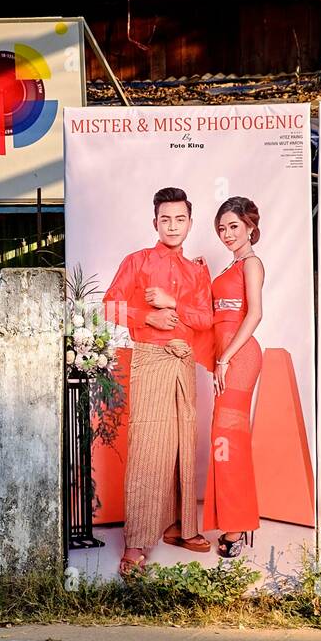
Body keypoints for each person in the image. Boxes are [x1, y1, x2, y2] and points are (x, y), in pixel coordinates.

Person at [103, 186, 214, 577]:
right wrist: (145, 317)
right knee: (150, 444)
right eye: (165, 219)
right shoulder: (137, 261)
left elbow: (205, 319)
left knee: (185, 442)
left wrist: (171, 303)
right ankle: (136, 540)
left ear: (189, 223)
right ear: (154, 222)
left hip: (185, 361)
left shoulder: (198, 270)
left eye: (179, 219)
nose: (172, 226)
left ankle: (180, 527)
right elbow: (108, 306)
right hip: (150, 357)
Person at [206, 197, 265, 559]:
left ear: (249, 227)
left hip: (239, 358)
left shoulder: (252, 263)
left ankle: (237, 526)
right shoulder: (233, 265)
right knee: (223, 441)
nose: (227, 234)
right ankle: (233, 519)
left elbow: (255, 314)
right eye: (222, 228)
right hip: (225, 356)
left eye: (234, 226)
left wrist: (225, 359)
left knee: (229, 442)